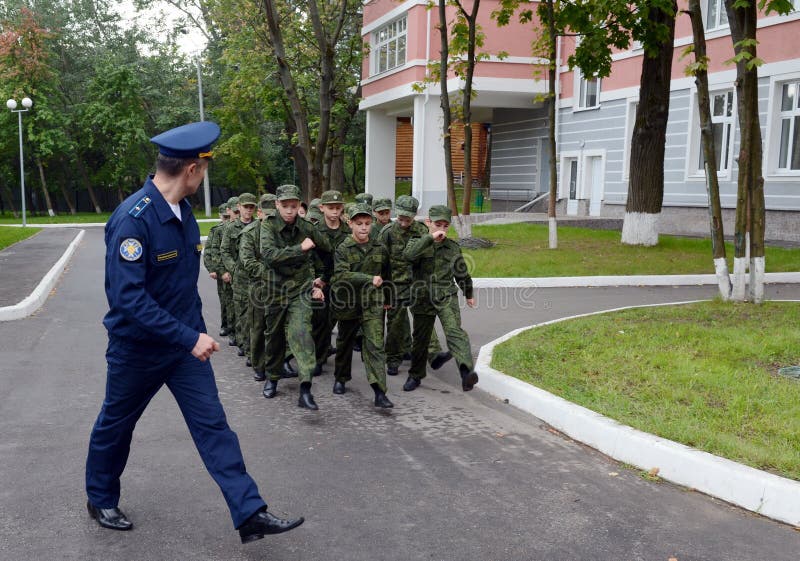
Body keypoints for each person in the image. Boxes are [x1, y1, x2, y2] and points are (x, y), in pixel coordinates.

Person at [85, 121, 303, 543]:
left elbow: (181, 287)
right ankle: (100, 496)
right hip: (138, 350)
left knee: (214, 426)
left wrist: (194, 335)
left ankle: (249, 512)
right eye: (204, 169)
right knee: (116, 424)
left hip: (184, 350)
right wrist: (190, 337)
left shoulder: (182, 213)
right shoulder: (133, 221)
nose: (204, 177)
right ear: (191, 170)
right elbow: (129, 300)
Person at [259, 184, 332, 409]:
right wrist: (300, 249)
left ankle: (305, 389)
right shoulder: (268, 226)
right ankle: (272, 377)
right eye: (286, 206)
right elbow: (269, 255)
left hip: (300, 289)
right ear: (277, 205)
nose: (290, 211)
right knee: (274, 337)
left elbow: (326, 247)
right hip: (275, 289)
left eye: (294, 206)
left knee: (302, 333)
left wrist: (322, 277)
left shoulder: (305, 226)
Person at [402, 204, 479, 392]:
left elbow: (462, 273)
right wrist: (429, 238)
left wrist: (468, 293)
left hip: (446, 295)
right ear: (428, 222)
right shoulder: (417, 242)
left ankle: (466, 372)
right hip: (422, 296)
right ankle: (416, 375)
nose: (441, 229)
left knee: (454, 331)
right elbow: (408, 256)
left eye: (445, 226)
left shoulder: (452, 248)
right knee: (421, 338)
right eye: (438, 224)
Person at [379, 195, 451, 377]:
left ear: (415, 215)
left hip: (418, 283)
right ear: (397, 214)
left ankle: (434, 355)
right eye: (401, 219)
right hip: (395, 284)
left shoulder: (421, 230)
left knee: (424, 320)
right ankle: (393, 359)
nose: (404, 223)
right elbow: (379, 261)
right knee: (395, 323)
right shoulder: (387, 232)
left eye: (408, 219)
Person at [330, 203, 394, 408]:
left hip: (372, 304)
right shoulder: (342, 248)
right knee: (345, 343)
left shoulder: (379, 248)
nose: (364, 228)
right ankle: (341, 377)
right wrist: (368, 278)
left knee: (375, 345)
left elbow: (387, 275)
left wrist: (388, 298)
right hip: (348, 303)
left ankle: (379, 391)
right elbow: (340, 275)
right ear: (350, 224)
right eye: (359, 224)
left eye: (367, 223)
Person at [311, 190, 350, 375]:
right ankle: (318, 358)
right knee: (321, 322)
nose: (335, 211)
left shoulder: (349, 231)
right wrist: (315, 282)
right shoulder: (315, 230)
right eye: (331, 207)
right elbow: (308, 258)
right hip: (322, 283)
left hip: (343, 284)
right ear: (322, 208)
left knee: (342, 324)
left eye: (338, 207)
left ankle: (341, 364)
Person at [221, 193, 258, 360]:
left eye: (251, 207)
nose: (248, 210)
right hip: (240, 277)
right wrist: (233, 269)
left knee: (256, 315)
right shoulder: (230, 228)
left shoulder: (259, 226)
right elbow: (225, 250)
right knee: (242, 314)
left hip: (256, 276)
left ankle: (252, 350)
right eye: (246, 207)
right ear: (239, 208)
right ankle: (244, 344)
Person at [203, 202, 229, 336]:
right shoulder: (216, 230)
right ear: (220, 216)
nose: (227, 220)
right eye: (224, 217)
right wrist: (212, 269)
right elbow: (209, 251)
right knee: (224, 299)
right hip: (221, 269)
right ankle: (225, 324)